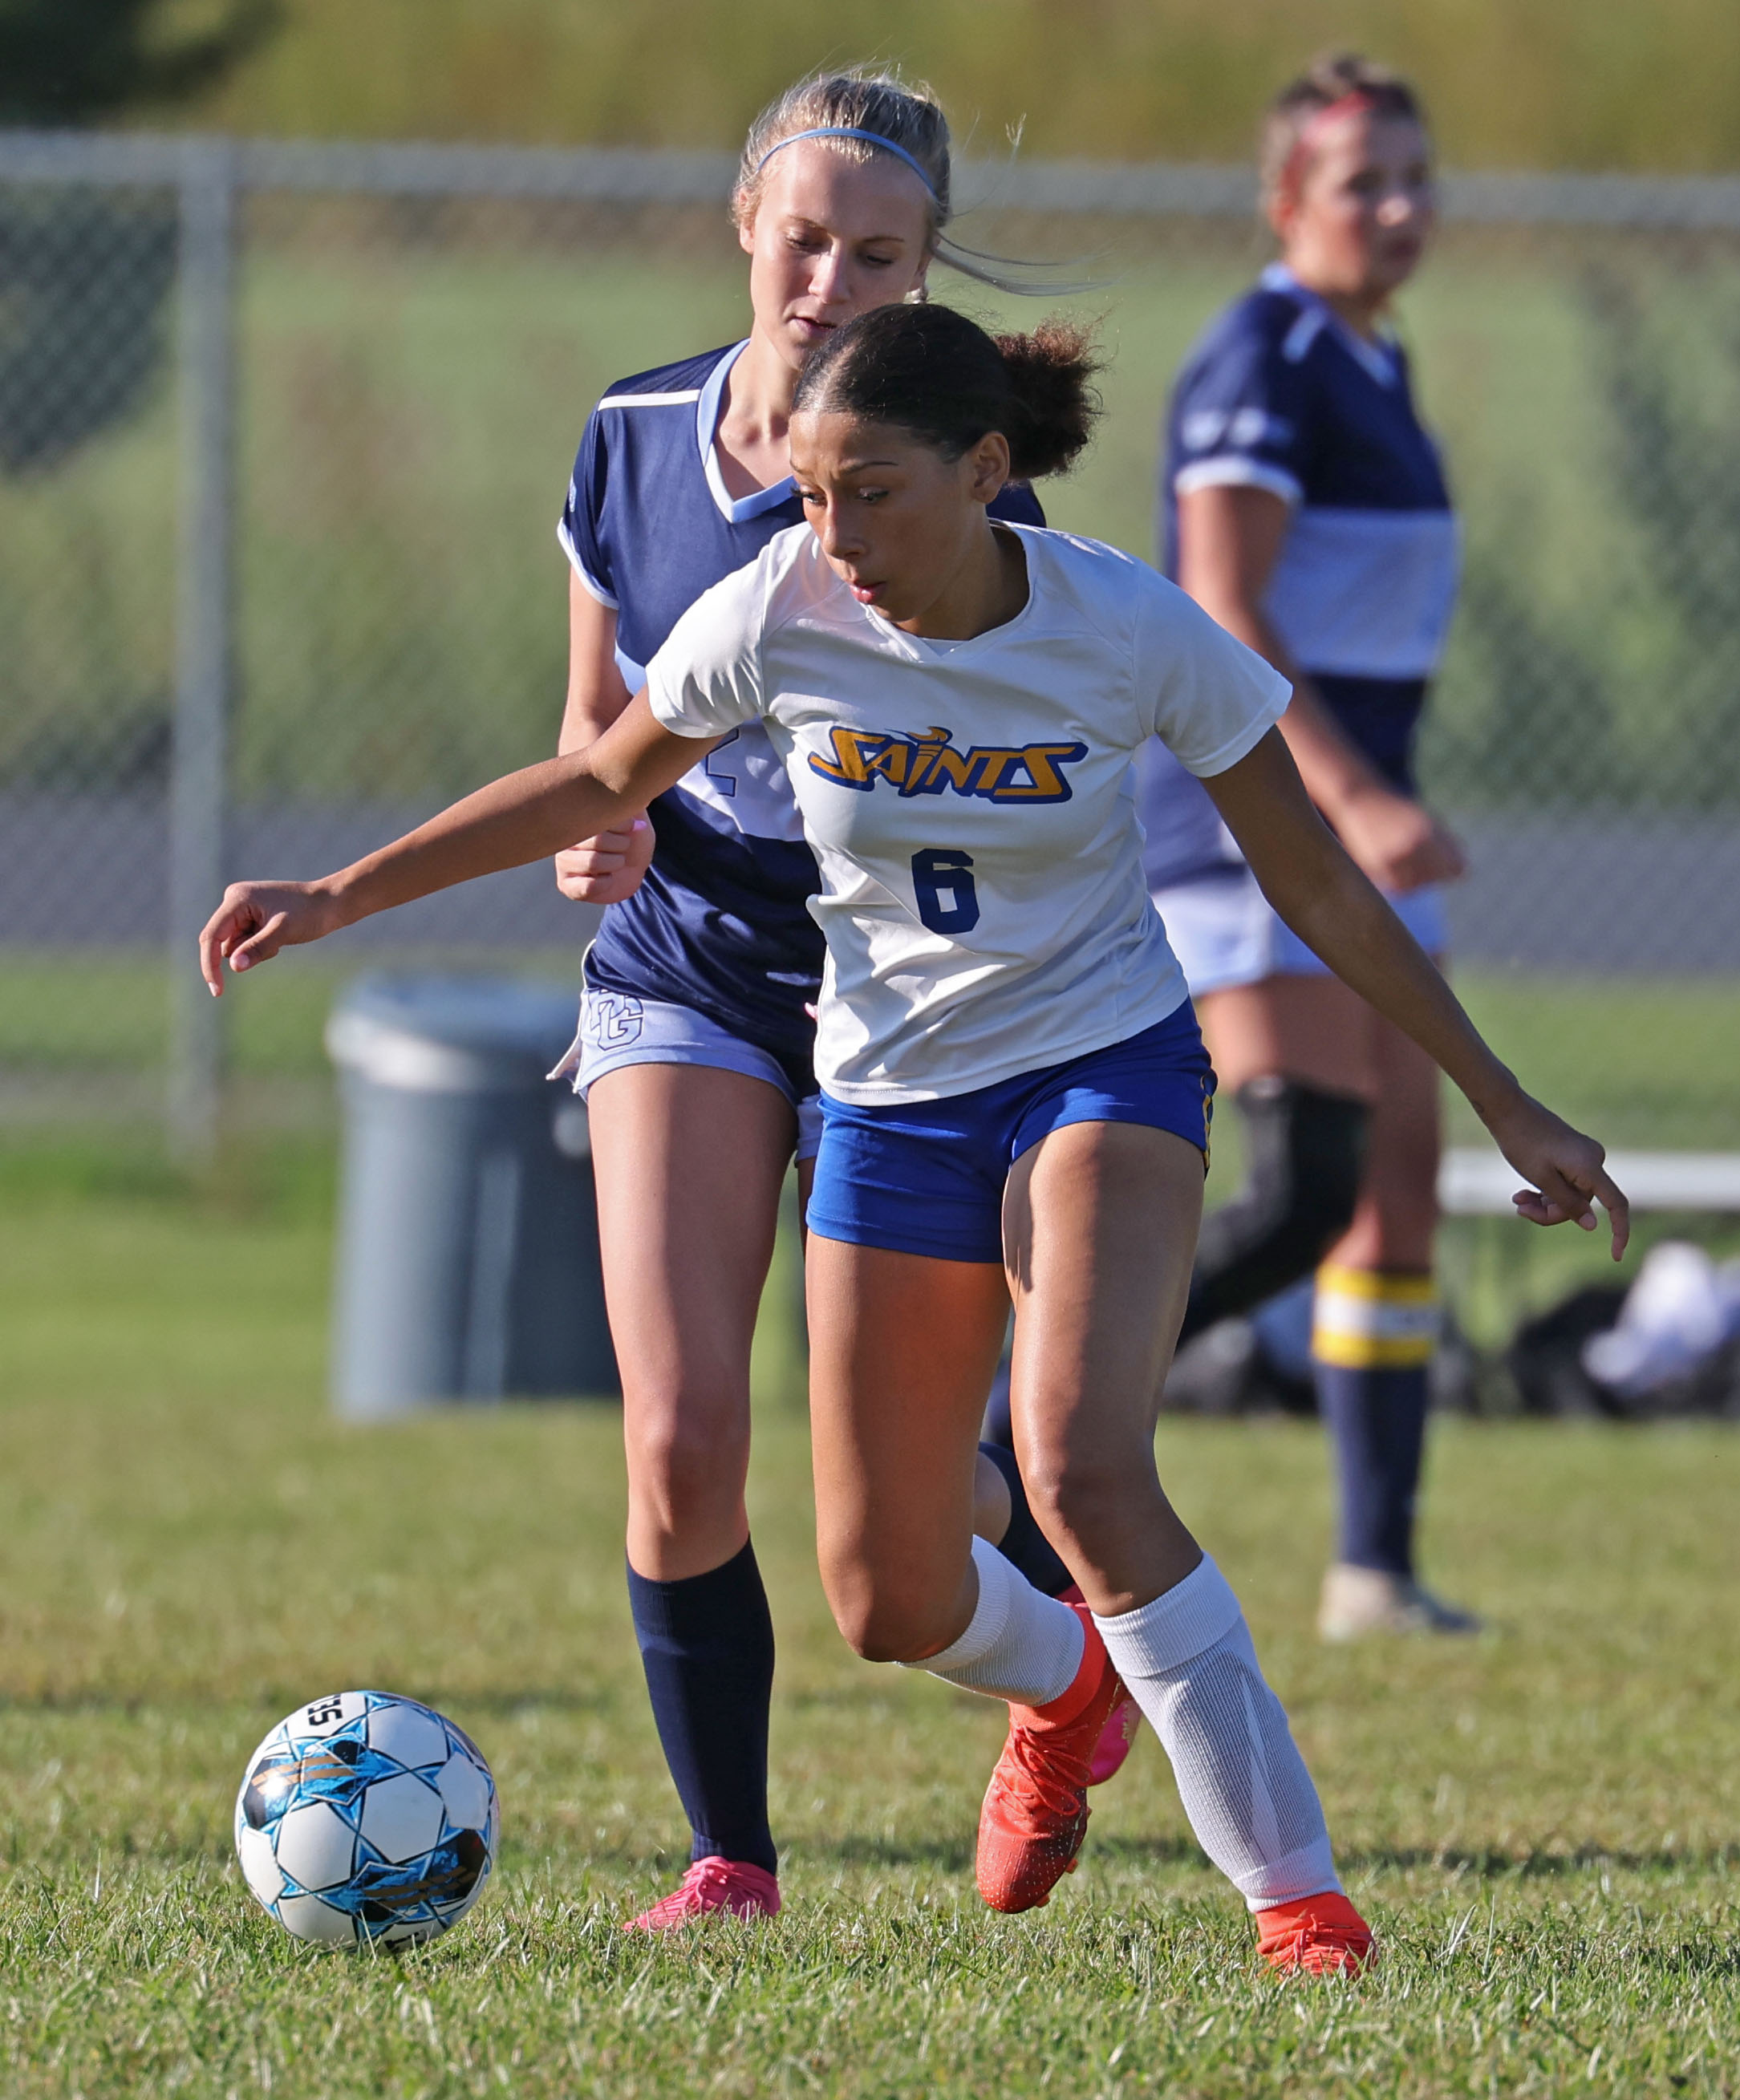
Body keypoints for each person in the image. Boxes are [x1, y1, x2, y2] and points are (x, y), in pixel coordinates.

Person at [197, 302, 1628, 1974]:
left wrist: (1495, 1092)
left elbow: (1310, 878)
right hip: (883, 1100)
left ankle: (1296, 1900)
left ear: (984, 469)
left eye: (872, 493)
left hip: (1099, 1068)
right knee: (884, 1595)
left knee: (1082, 1463)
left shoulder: (1123, 624)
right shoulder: (774, 615)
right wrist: (337, 891)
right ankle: (1067, 1691)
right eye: (810, 496)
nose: (836, 537)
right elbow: (600, 782)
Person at [540, 68, 1075, 1931]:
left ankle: (1067, 1678)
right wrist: (584, 841)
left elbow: (1053, 731)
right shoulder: (629, 435)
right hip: (690, 958)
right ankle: (730, 1857)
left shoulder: (955, 464)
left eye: (878, 251)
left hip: (903, 992)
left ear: (927, 277)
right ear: (741, 230)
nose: (828, 277)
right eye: (803, 237)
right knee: (679, 1428)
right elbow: (595, 739)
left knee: (921, 1500)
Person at [1137, 54, 1475, 1640]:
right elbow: (1219, 598)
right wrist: (1354, 801)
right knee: (1299, 1187)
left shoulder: (1367, 359)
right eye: (1361, 182)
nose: (1398, 207)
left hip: (1348, 847)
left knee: (1391, 1188)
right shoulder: (1259, 356)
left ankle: (1372, 1570)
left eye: (1414, 176)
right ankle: (1009, 1435)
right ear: (1284, 202)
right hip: (1251, 833)